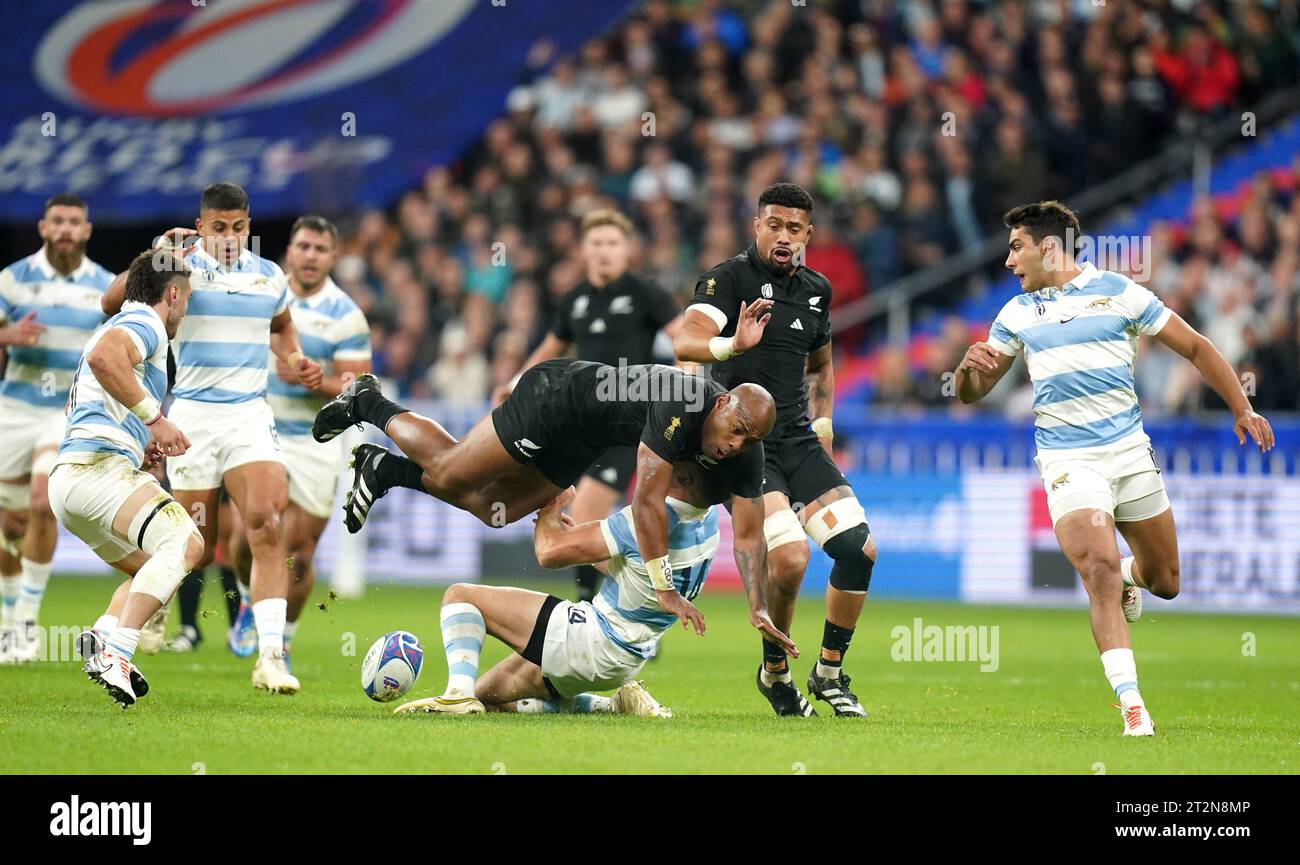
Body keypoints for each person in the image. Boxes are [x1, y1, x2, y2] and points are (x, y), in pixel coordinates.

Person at [955, 200, 1275, 736]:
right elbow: (973, 393)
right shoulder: (1015, 314)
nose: (1009, 262)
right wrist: (965, 373)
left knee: (1166, 581)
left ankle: (1132, 577)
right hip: (1068, 459)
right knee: (1098, 567)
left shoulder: (1120, 292)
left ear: (1048, 248)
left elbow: (1195, 347)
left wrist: (1241, 407)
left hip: (1129, 453)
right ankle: (1133, 708)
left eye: (1016, 248)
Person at [313, 358, 794, 650]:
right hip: (554, 399)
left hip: (582, 440)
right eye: (735, 430)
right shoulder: (682, 402)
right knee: (451, 471)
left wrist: (759, 607)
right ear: (722, 402)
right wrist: (663, 586)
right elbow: (646, 502)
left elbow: (750, 535)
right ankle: (366, 400)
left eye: (748, 440)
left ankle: (384, 470)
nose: (735, 446)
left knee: (491, 509)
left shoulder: (747, 452)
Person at [101, 181, 324, 694]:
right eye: (219, 228)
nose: (229, 237)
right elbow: (111, 301)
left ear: (249, 227)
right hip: (195, 418)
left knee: (268, 524)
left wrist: (293, 358)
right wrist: (155, 255)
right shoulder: (180, 269)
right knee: (194, 546)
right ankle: (148, 611)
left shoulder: (269, 276)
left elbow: (283, 326)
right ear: (201, 227)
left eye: (239, 228)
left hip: (250, 416)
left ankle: (270, 657)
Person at [674, 182, 875, 718]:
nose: (783, 236)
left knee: (859, 550)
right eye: (774, 225)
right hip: (747, 448)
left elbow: (823, 365)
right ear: (756, 226)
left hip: (801, 440)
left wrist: (825, 425)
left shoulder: (817, 289)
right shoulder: (728, 279)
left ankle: (829, 670)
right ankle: (775, 672)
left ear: (808, 234)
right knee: (789, 559)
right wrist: (731, 345)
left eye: (795, 228)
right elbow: (684, 341)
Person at [395, 459, 730, 716]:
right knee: (489, 698)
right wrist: (576, 535)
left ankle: (456, 695)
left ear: (683, 478)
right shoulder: (708, 521)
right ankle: (611, 705)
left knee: (460, 596)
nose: (658, 461)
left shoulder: (647, 517)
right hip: (626, 657)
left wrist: (549, 510)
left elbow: (547, 553)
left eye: (671, 460)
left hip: (589, 640)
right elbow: (628, 563)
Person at [494, 209, 683, 602]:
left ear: (627, 250)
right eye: (596, 243)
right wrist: (515, 382)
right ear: (583, 249)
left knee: (579, 519)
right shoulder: (575, 300)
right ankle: (619, 602)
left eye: (613, 243)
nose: (604, 251)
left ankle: (600, 606)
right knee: (579, 521)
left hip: (627, 424)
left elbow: (685, 339)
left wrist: (685, 386)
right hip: (580, 424)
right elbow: (551, 348)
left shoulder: (645, 293)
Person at [47, 249, 204, 707]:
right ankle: (119, 654)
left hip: (71, 481)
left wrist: (138, 440)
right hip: (97, 472)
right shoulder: (146, 323)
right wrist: (155, 420)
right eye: (188, 298)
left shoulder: (114, 322)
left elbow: (91, 392)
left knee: (151, 572)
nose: (187, 308)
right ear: (172, 293)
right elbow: (104, 360)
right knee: (187, 545)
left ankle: (103, 637)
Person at [224, 215, 372, 665]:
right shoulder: (260, 291)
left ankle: (283, 638)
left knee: (299, 553)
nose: (310, 256)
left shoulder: (346, 315)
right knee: (247, 534)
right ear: (289, 251)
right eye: (303, 246)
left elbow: (359, 388)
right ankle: (252, 602)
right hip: (257, 429)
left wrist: (317, 380)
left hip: (316, 441)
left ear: (333, 256)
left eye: (319, 249)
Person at [0, 194, 113, 663]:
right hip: (15, 409)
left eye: (75, 222)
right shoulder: (12, 279)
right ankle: (8, 620)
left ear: (86, 231)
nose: (66, 229)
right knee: (10, 523)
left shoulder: (106, 288)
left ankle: (25, 622)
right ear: (43, 228)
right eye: (58, 222)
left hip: (68, 413)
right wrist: (8, 336)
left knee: (45, 500)